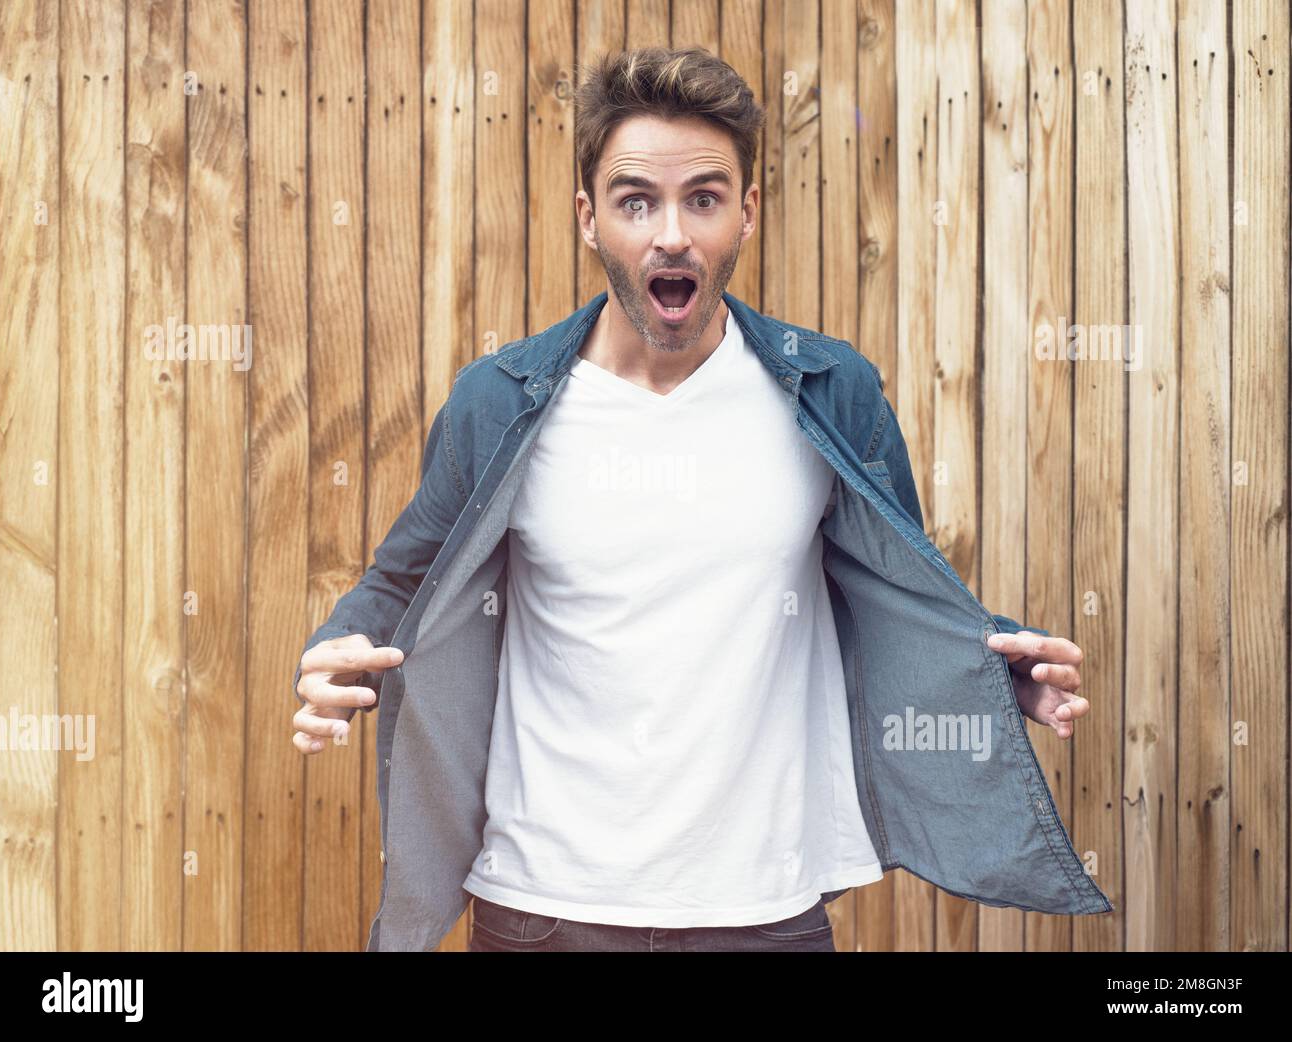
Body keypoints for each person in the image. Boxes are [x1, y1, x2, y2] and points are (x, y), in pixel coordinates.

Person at [292, 46, 1097, 954]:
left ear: (746, 213)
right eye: (636, 201)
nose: (670, 233)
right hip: (544, 911)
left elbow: (901, 592)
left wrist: (988, 670)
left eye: (703, 198)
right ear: (589, 218)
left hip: (765, 914)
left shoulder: (832, 394)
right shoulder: (501, 401)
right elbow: (400, 582)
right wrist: (332, 648)